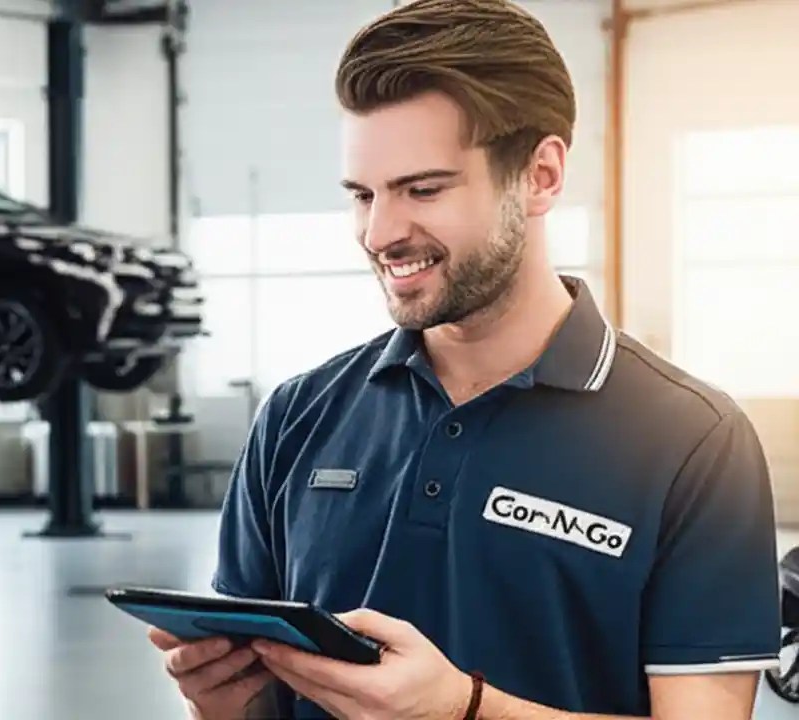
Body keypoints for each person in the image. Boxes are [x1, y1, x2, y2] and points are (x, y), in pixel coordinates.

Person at [149, 0, 781, 718]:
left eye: (423, 189)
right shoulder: (296, 418)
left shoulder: (695, 441)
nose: (379, 233)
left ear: (541, 175)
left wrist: (464, 709)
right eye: (363, 195)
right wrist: (220, 704)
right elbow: (258, 701)